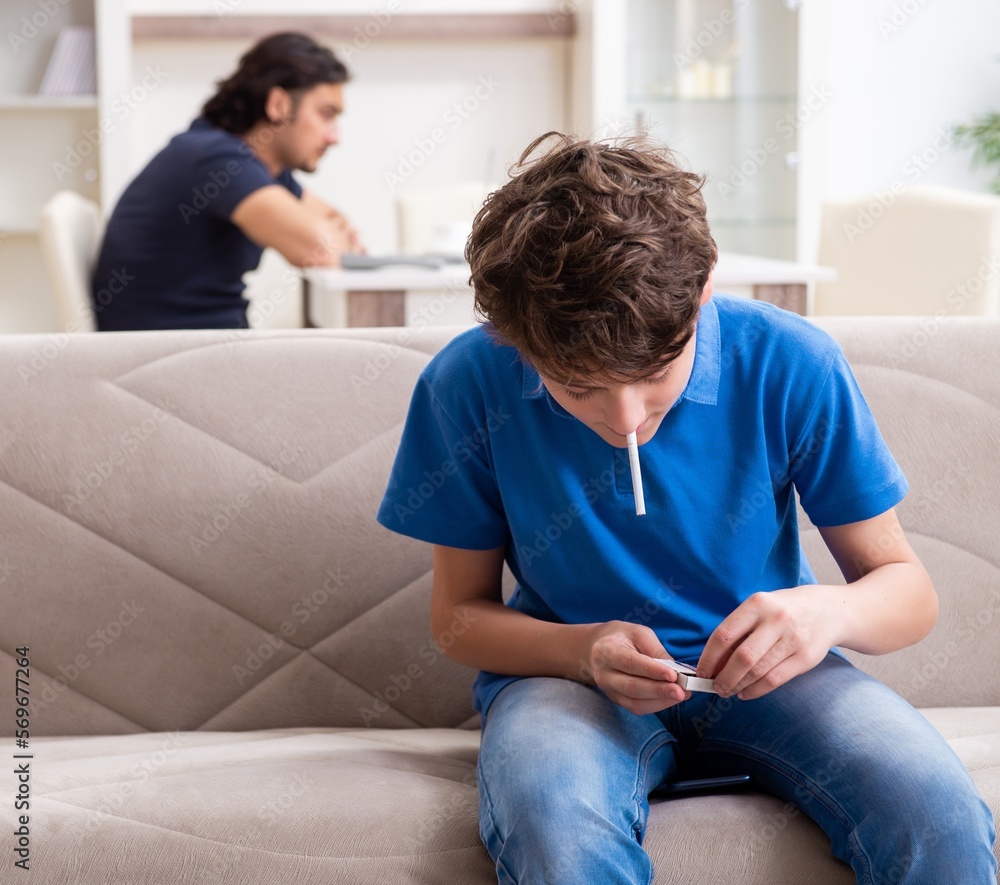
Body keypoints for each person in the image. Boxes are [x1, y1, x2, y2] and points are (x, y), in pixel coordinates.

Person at [376, 132, 997, 884]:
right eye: (579, 387)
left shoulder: (789, 362)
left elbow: (908, 591)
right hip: (570, 684)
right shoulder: (468, 383)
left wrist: (822, 614)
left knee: (935, 807)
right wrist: (583, 649)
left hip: (777, 678)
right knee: (553, 818)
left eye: (654, 374)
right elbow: (457, 618)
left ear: (703, 290)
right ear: (515, 339)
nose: (626, 418)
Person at [91, 32, 360, 331]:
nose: (334, 137)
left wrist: (333, 236)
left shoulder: (256, 167)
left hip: (200, 348)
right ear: (278, 104)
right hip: (169, 358)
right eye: (326, 114)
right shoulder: (216, 162)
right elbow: (322, 251)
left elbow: (340, 228)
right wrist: (330, 238)